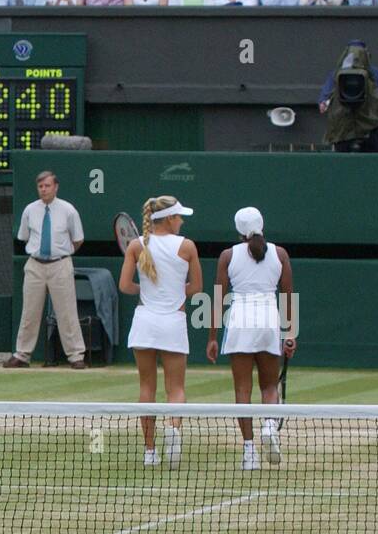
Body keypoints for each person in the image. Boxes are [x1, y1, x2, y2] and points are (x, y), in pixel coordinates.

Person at [207, 208, 296, 471]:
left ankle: (249, 452)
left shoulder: (227, 256)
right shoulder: (280, 254)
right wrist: (290, 333)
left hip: (240, 324)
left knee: (242, 391)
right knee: (269, 387)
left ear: (238, 231)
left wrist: (212, 338)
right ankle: (269, 426)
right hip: (268, 321)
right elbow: (289, 296)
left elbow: (218, 299)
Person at [119, 196, 201, 468]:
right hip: (172, 322)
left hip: (145, 322)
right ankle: (174, 430)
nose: (182, 221)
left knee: (146, 387)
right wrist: (174, 294)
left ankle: (150, 452)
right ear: (168, 219)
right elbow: (196, 288)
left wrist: (147, 292)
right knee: (175, 388)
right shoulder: (187, 246)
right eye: (179, 217)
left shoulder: (135, 245)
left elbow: (125, 286)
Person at [8, 170, 86, 369]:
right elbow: (24, 236)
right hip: (35, 265)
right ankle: (22, 355)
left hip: (60, 264)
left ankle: (76, 356)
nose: (43, 190)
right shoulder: (29, 210)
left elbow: (78, 239)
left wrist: (61, 253)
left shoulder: (69, 210)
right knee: (29, 312)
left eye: (47, 186)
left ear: (56, 187)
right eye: (40, 186)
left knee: (67, 311)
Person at [319, 40, 378, 152]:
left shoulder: (336, 73)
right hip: (363, 125)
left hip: (349, 127)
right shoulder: (373, 73)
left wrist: (324, 104)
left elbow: (323, 100)